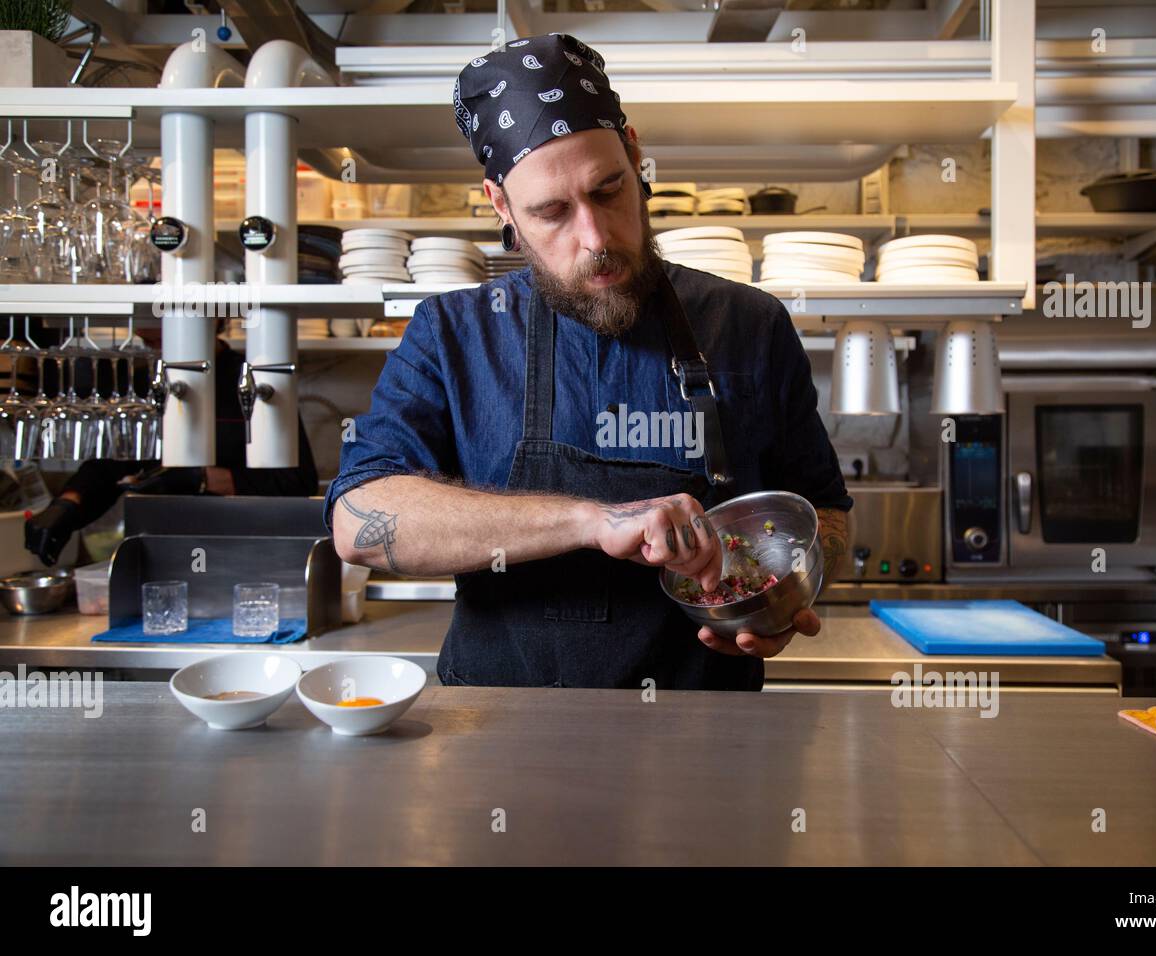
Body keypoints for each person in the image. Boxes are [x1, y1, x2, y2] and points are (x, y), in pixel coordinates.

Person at [327, 33, 851, 690]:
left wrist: (786, 594)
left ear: (634, 155)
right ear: (501, 207)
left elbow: (826, 512)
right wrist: (590, 520)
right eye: (551, 212)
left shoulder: (749, 326)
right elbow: (359, 522)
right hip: (500, 740)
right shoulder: (452, 335)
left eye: (608, 190)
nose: (596, 239)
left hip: (708, 739)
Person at [24, 325, 318, 566]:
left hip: (246, 550)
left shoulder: (257, 383)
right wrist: (68, 504)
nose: (154, 347)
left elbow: (296, 482)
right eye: (147, 339)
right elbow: (110, 466)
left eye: (162, 335)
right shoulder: (144, 382)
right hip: (161, 549)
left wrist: (201, 479)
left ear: (212, 323)